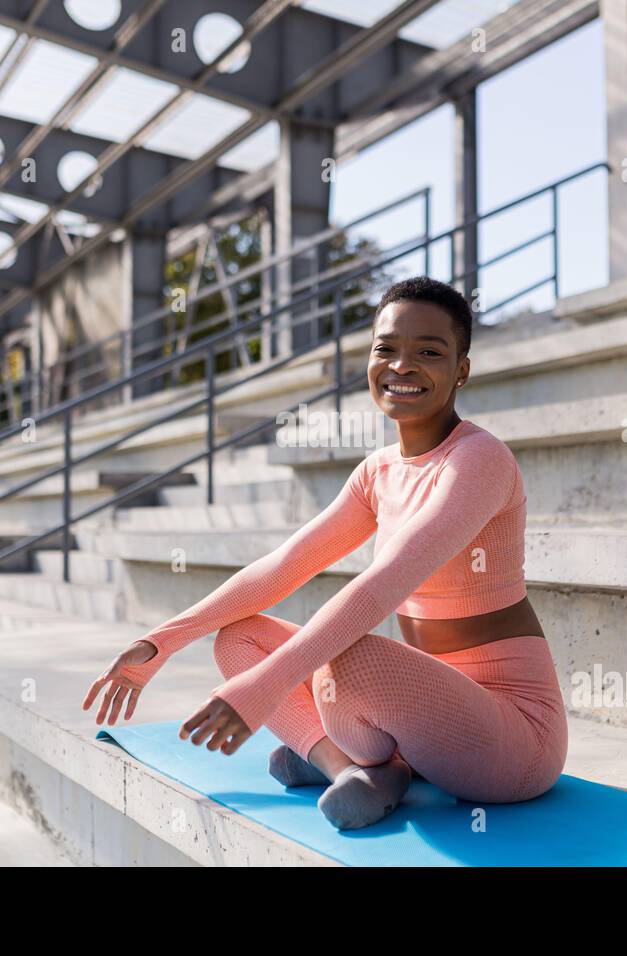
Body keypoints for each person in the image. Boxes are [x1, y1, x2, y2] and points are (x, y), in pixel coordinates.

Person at [82, 276, 568, 830]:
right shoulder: (378, 472)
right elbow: (284, 567)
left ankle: (351, 748)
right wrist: (159, 643)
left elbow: (386, 581)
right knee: (240, 637)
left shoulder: (479, 461)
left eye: (429, 352)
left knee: (348, 653)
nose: (402, 366)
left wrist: (263, 690)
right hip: (430, 722)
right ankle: (349, 768)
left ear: (462, 370)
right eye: (386, 349)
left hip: (514, 743)